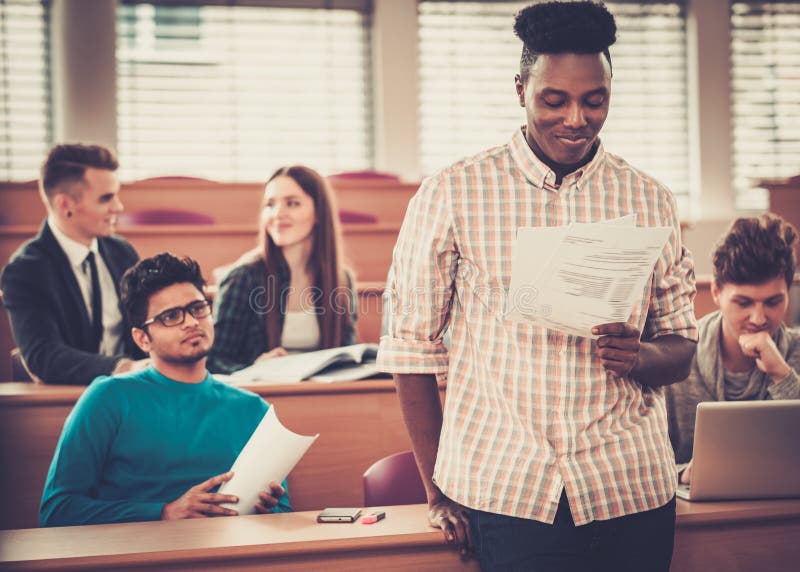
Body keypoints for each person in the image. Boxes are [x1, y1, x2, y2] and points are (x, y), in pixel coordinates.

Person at [376, 2, 698, 571]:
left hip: (632, 487)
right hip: (510, 492)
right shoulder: (453, 192)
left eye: (594, 99)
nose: (576, 117)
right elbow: (410, 349)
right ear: (521, 88)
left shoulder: (650, 199)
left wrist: (640, 354)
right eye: (555, 99)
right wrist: (437, 487)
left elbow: (679, 346)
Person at [39, 253, 291, 527]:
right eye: (171, 316)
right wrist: (164, 512)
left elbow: (283, 513)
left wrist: (268, 511)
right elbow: (57, 510)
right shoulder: (107, 399)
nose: (192, 322)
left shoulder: (253, 409)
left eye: (198, 308)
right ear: (142, 339)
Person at [667, 214, 800, 481]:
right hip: (700, 510)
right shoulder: (680, 354)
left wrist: (782, 375)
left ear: (789, 291)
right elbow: (656, 459)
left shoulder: (795, 351)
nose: (759, 318)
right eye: (743, 303)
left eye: (773, 302)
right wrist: (683, 474)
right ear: (716, 292)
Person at [1, 144, 147, 384]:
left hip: (134, 395)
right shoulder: (25, 271)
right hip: (69, 400)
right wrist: (124, 367)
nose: (118, 207)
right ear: (65, 204)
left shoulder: (123, 253)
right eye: (106, 198)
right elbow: (43, 356)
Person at [208, 165, 356, 374]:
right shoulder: (243, 277)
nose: (277, 214)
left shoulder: (342, 279)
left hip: (322, 397)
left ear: (319, 213)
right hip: (260, 395)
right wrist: (254, 368)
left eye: (292, 203)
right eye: (269, 205)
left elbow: (345, 354)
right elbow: (214, 361)